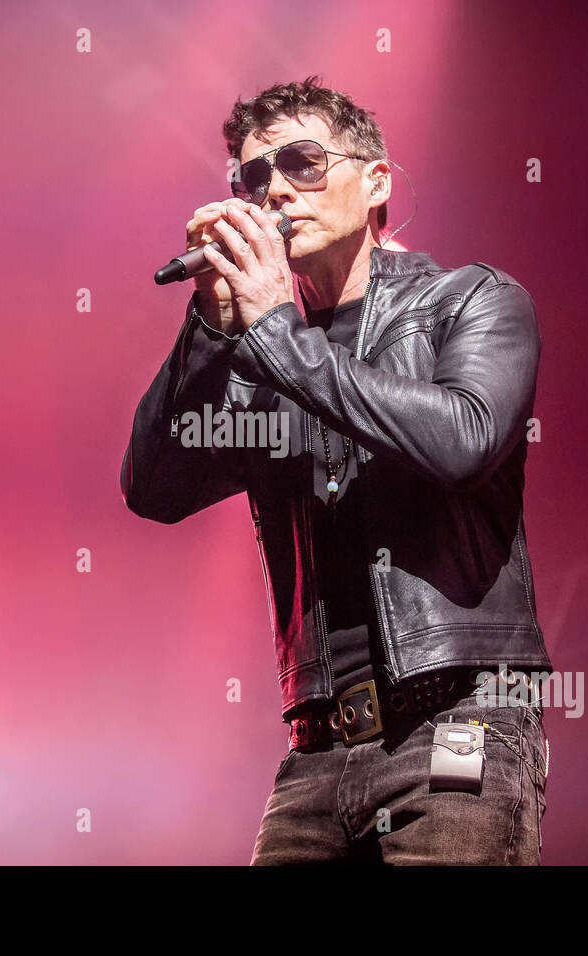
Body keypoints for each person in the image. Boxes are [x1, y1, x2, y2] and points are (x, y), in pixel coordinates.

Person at [121, 76, 553, 864]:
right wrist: (211, 327)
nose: (276, 188)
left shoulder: (471, 302)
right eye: (255, 177)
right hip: (316, 753)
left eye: (302, 162)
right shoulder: (256, 353)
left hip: (460, 722)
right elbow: (154, 490)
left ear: (377, 180)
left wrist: (274, 336)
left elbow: (463, 441)